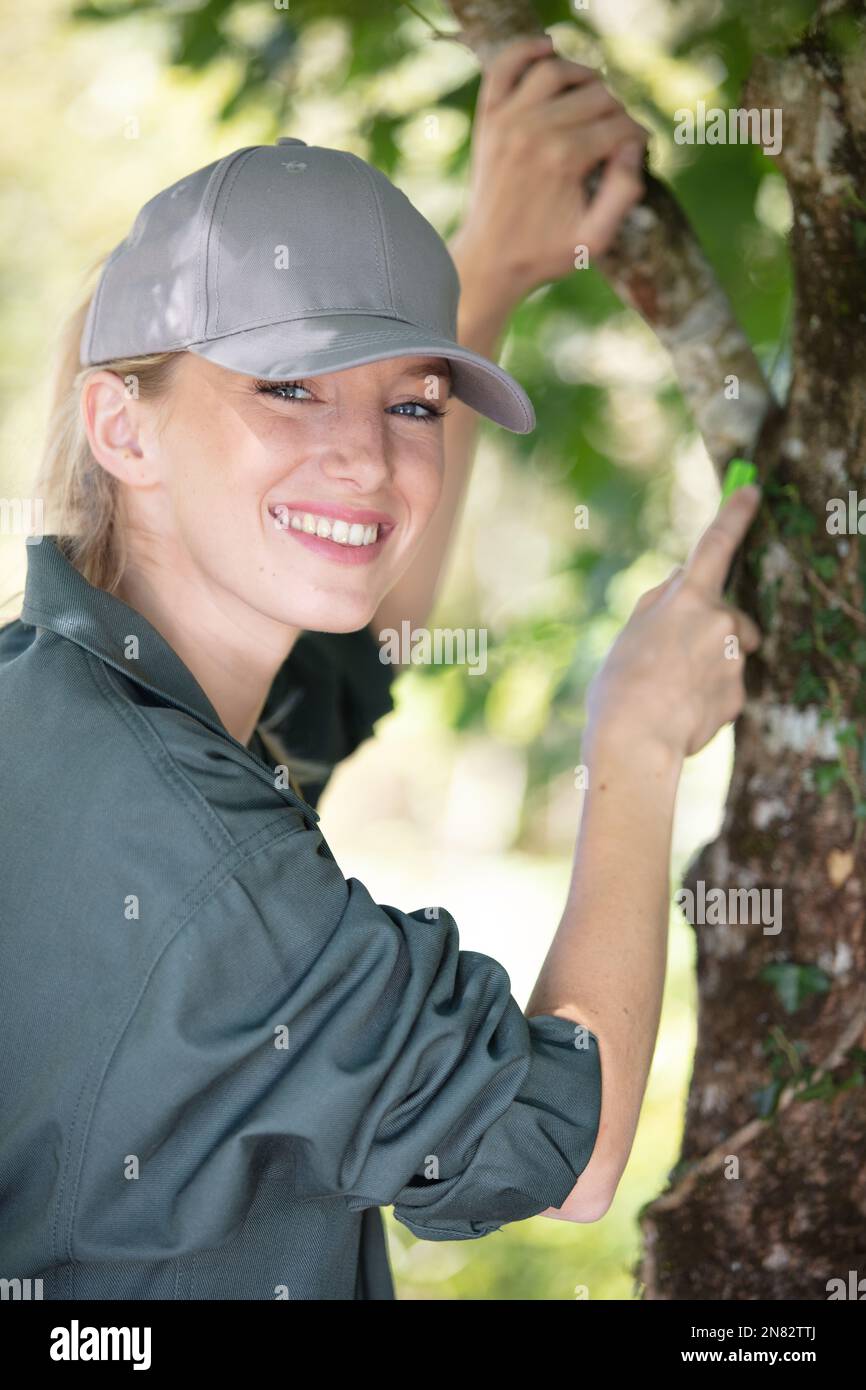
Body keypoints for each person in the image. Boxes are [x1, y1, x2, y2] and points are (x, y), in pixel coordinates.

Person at [0, 37, 760, 1300]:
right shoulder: (194, 851)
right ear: (121, 425)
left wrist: (495, 268)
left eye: (413, 404)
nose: (368, 458)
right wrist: (631, 739)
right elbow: (557, 1152)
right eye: (289, 387)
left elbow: (343, 663)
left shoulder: (78, 710)